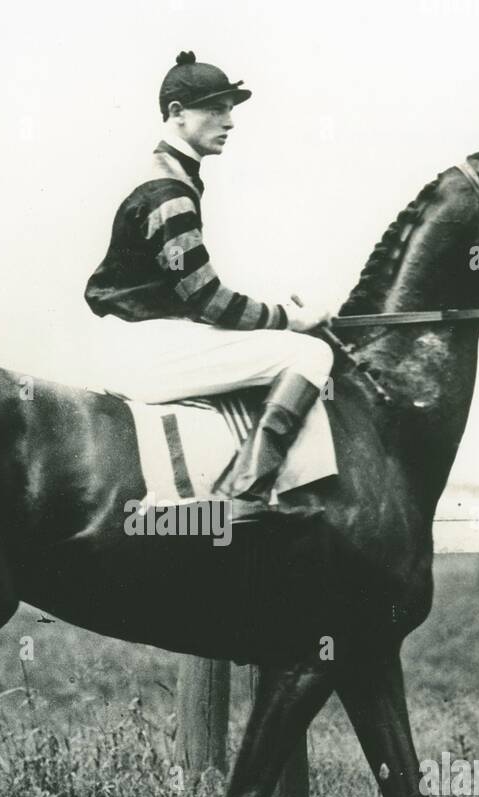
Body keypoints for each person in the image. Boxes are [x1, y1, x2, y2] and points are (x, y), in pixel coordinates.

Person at [84, 51, 334, 518]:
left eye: (231, 109)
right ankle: (240, 498)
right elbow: (208, 301)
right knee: (311, 353)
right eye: (215, 109)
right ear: (176, 114)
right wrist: (291, 319)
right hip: (147, 349)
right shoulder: (169, 192)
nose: (230, 121)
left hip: (139, 339)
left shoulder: (171, 177)